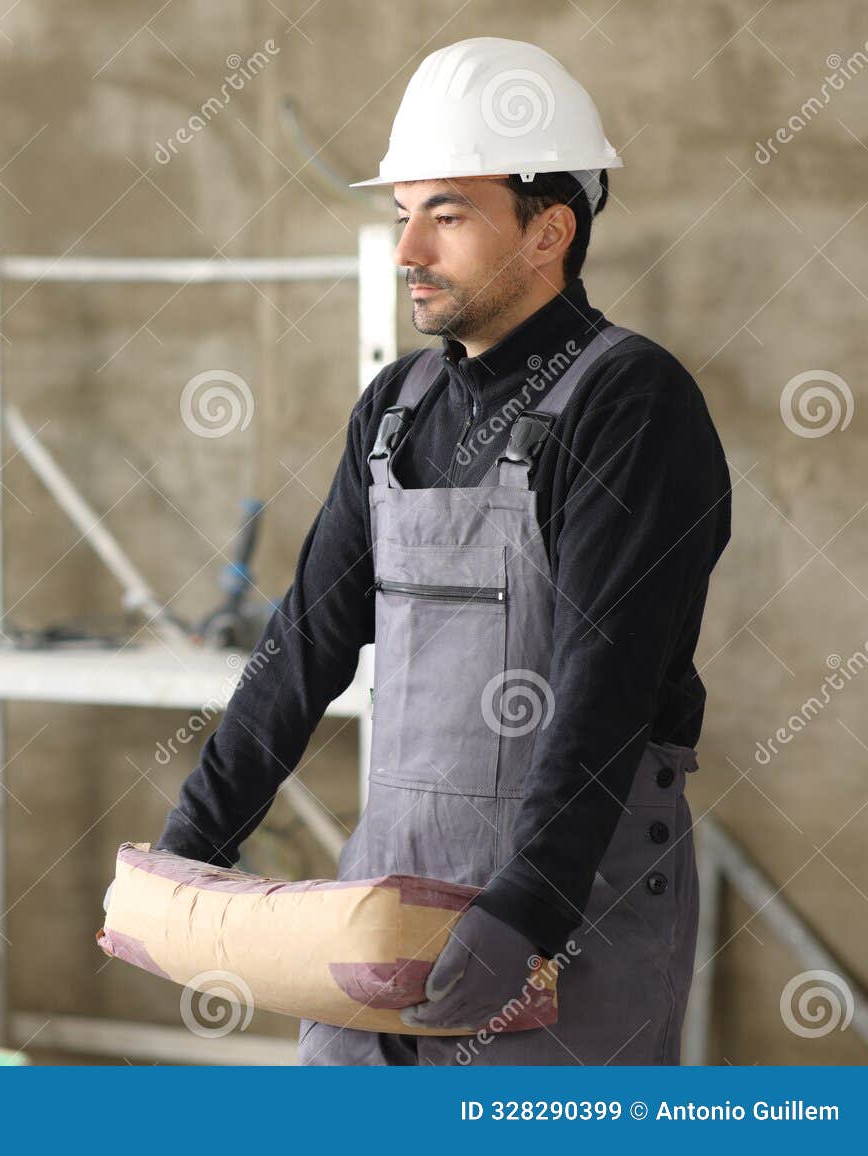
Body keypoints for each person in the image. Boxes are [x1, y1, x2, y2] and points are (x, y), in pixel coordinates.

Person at [154, 37, 732, 1065]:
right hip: (386, 901)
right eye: (401, 214)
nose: (407, 250)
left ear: (549, 229)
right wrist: (189, 845)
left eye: (448, 215)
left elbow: (604, 684)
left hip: (569, 910)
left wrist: (525, 913)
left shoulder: (629, 404)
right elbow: (302, 646)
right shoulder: (396, 409)